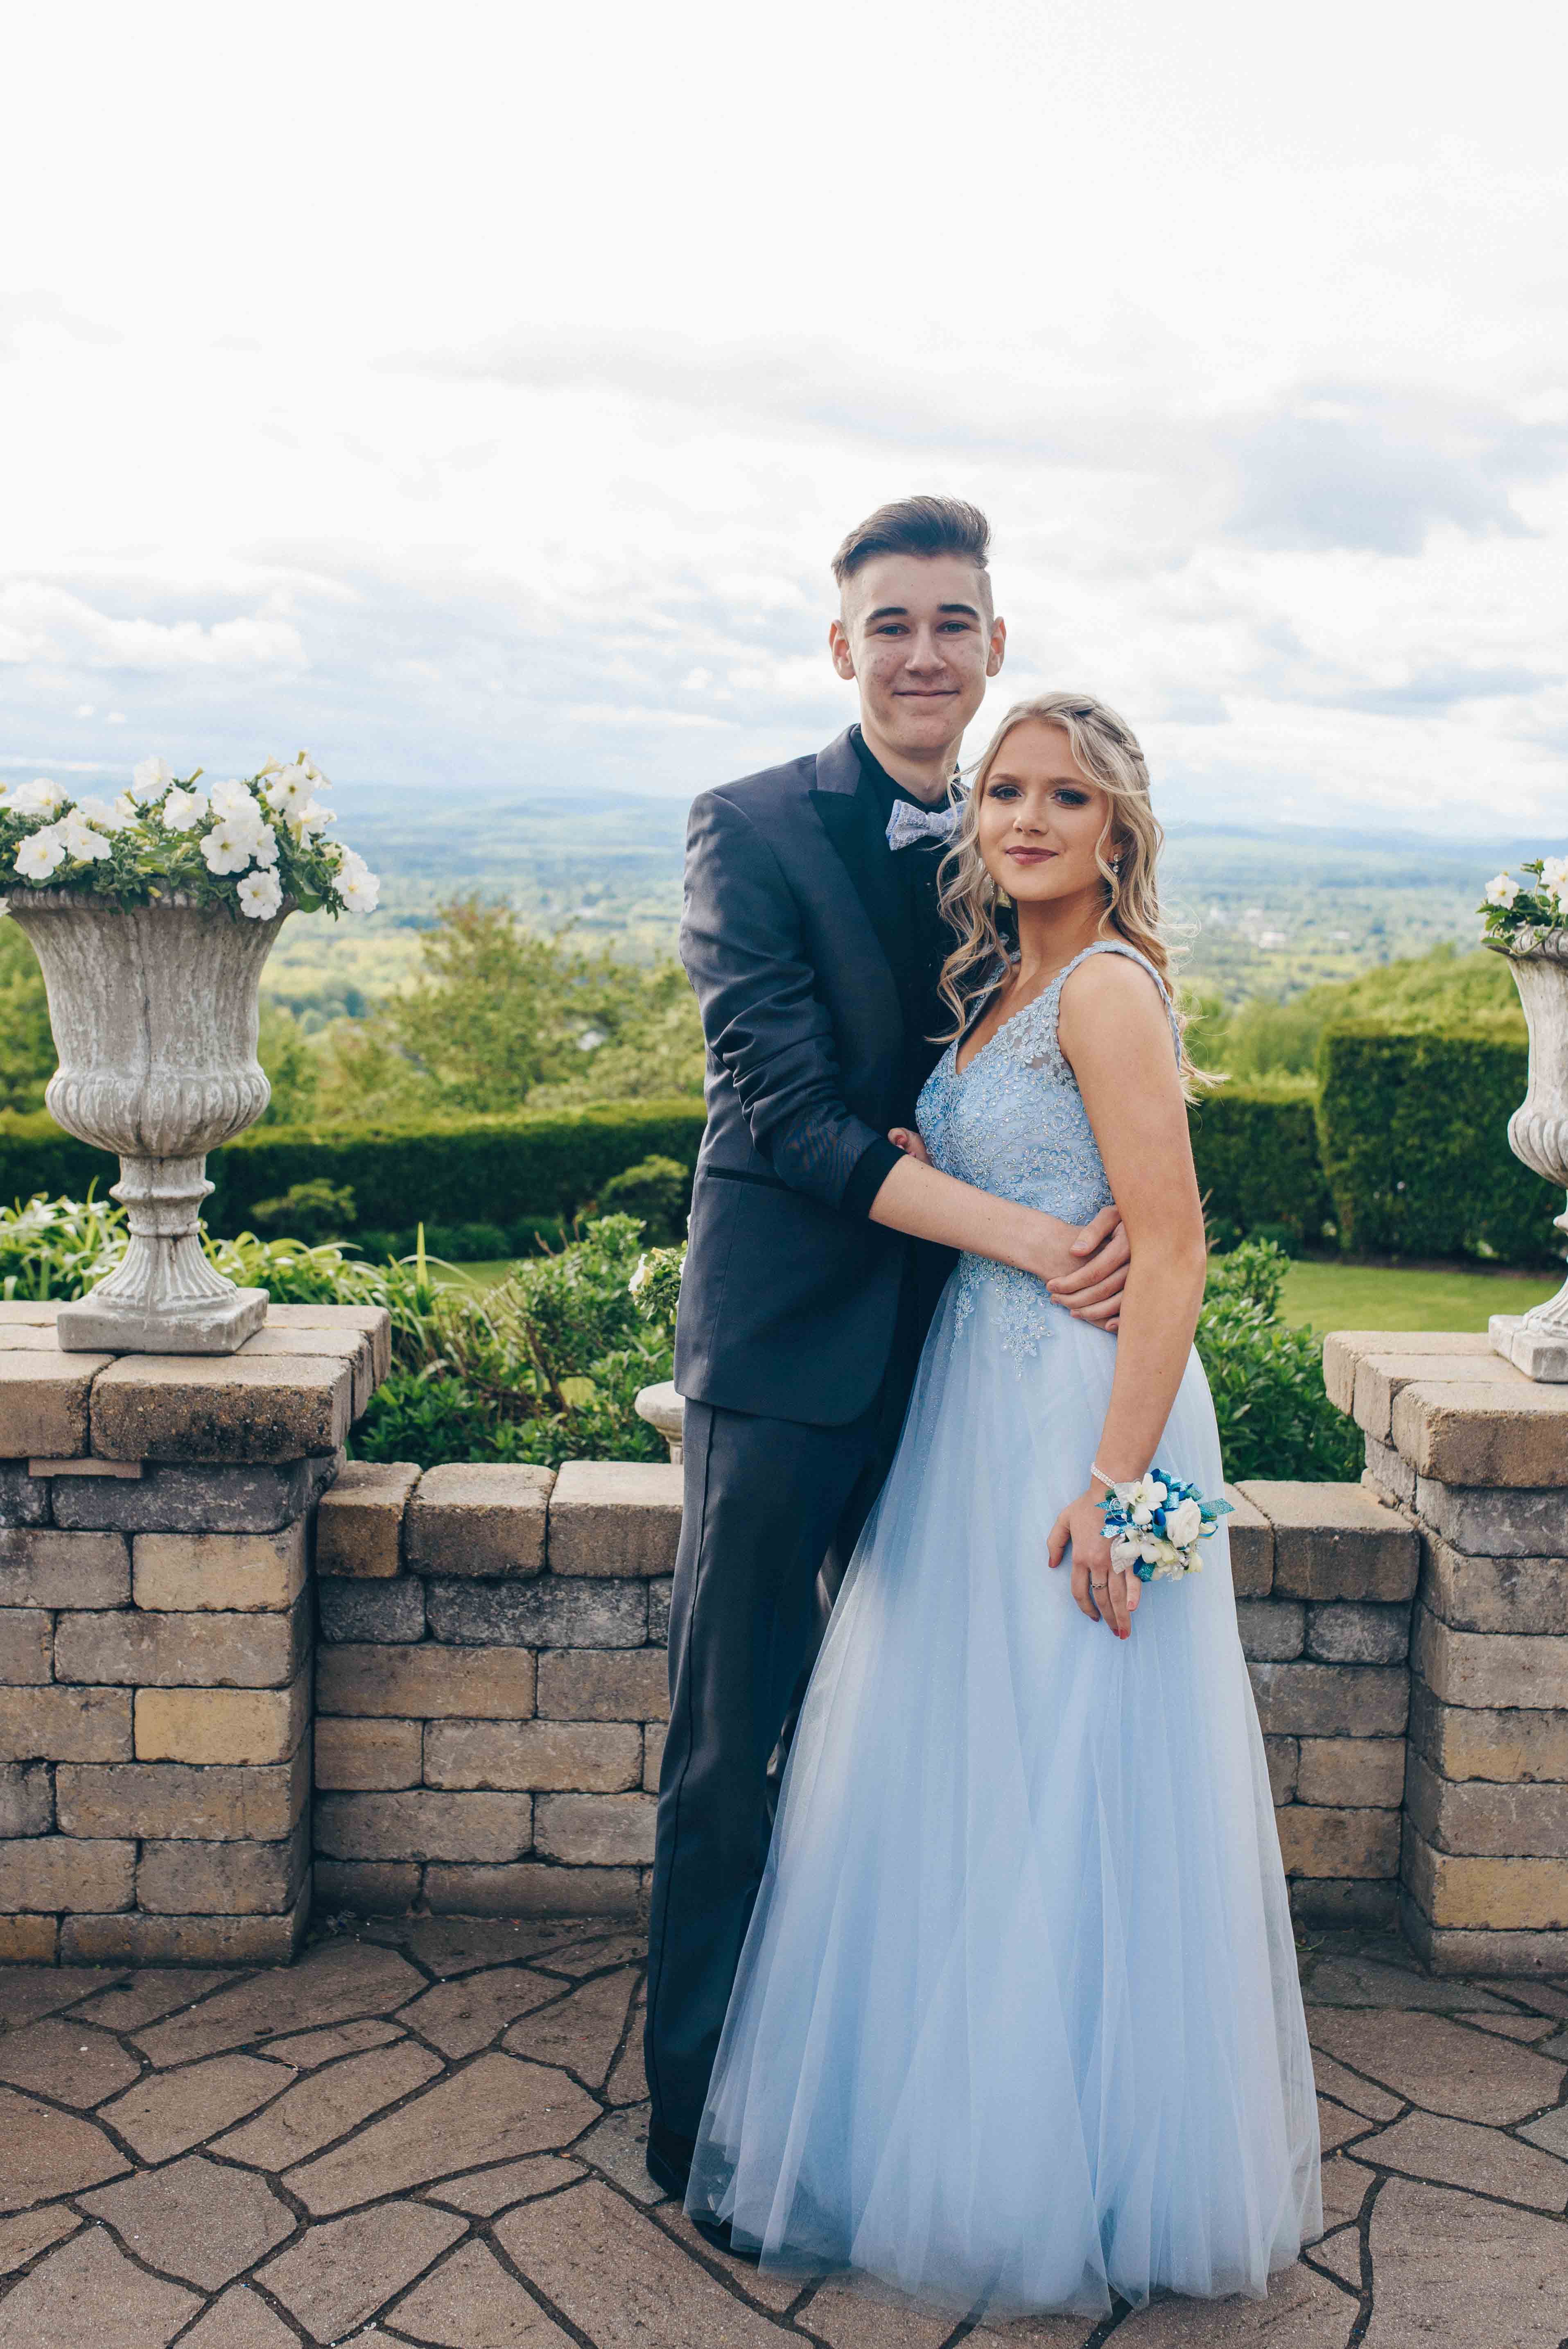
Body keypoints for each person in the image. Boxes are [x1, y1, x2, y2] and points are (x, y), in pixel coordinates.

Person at [683, 692, 1322, 2319]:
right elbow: (1016, 1179)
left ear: (1121, 830)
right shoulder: (1001, 985)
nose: (1025, 817)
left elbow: (1170, 1251)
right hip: (978, 1399)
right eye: (1006, 791)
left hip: (1092, 1423)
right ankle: (963, 2115)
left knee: (1090, 1751)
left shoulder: (1105, 992)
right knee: (985, 1762)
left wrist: (1120, 1493)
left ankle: (1085, 2160)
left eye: (1065, 796)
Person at [644, 500, 1136, 2202]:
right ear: (838, 644)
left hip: (988, 1386)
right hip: (791, 1360)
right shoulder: (752, 826)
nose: (922, 653)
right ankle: (702, 2117)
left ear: (994, 645)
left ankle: (900, 2104)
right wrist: (1025, 1236)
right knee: (736, 1745)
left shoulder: (1040, 875)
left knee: (944, 1744)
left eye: (952, 622)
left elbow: (1137, 1186)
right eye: (889, 624)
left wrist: (1127, 1488)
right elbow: (778, 1109)